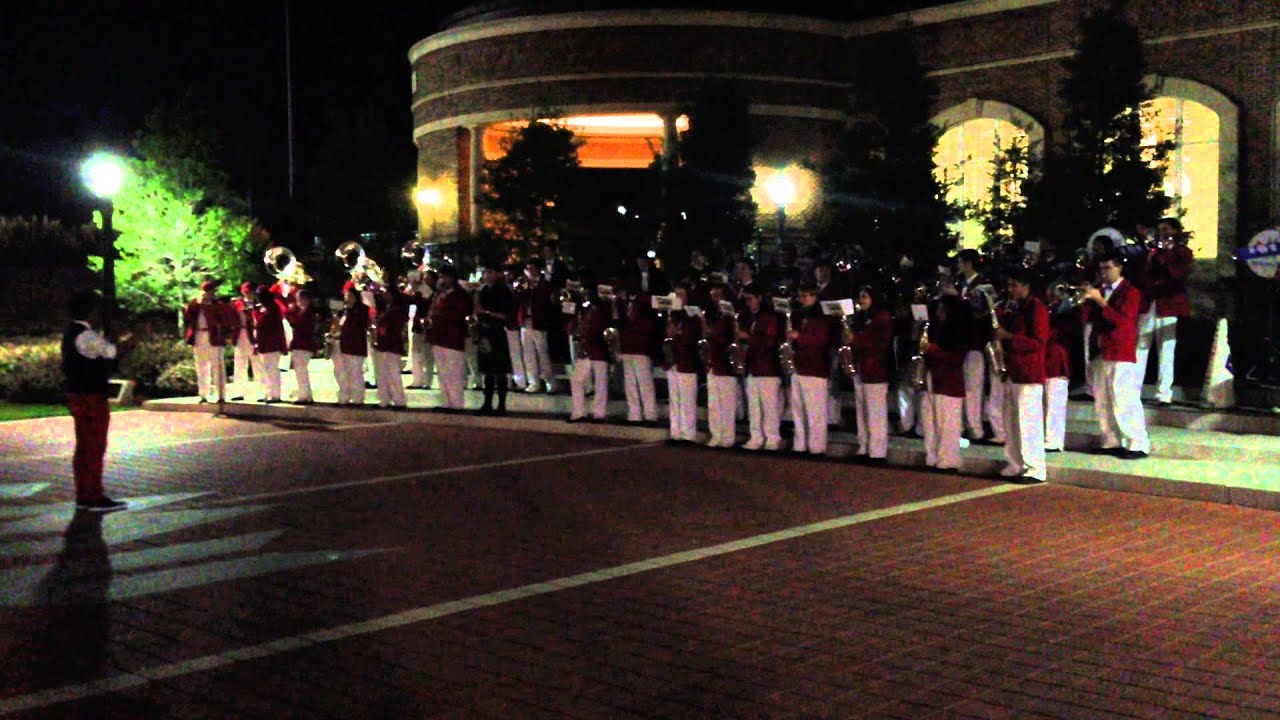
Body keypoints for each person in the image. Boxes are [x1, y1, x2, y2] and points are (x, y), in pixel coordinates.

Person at [62, 290, 127, 511]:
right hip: (90, 395)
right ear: (91, 311)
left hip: (77, 394)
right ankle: (92, 495)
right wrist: (131, 340)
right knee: (94, 445)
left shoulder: (71, 332)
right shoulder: (87, 335)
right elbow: (110, 352)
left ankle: (84, 493)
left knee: (84, 446)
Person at [1081, 252, 1150, 459]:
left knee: (1124, 398)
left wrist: (1101, 301)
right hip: (1100, 351)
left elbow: (1122, 321)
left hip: (1120, 352)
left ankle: (1137, 443)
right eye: (1101, 269)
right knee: (1102, 399)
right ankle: (1110, 441)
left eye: (1108, 268)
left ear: (1119, 268)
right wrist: (1087, 300)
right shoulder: (1100, 291)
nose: (1103, 273)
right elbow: (1086, 318)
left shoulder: (1131, 292)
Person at [995, 268, 1050, 482]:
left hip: (1028, 372)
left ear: (1026, 287)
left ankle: (1035, 468)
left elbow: (1038, 342)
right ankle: (1015, 462)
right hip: (1014, 370)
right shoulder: (1016, 308)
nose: (1010, 289)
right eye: (1009, 285)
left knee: (1029, 423)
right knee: (1012, 422)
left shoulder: (1036, 309)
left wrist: (1008, 336)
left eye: (1014, 285)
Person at [1136, 217, 1193, 404]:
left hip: (1169, 303)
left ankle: (1163, 392)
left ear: (1175, 232)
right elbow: (1144, 276)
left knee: (1166, 349)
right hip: (1150, 301)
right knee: (1141, 346)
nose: (1162, 232)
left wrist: (1162, 253)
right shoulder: (1154, 251)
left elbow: (1176, 274)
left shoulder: (1183, 252)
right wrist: (1151, 257)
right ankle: (1133, 388)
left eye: (1166, 229)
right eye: (1160, 229)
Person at [922, 295, 969, 472]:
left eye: (942, 308)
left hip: (949, 382)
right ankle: (934, 457)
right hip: (936, 378)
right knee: (932, 421)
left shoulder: (958, 330)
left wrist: (933, 350)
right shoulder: (938, 327)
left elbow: (957, 357)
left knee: (948, 423)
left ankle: (948, 459)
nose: (939, 312)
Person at [848, 285, 894, 463]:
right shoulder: (862, 317)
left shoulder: (882, 317)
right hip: (862, 369)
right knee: (862, 411)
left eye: (865, 297)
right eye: (860, 297)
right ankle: (864, 447)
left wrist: (856, 339)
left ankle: (877, 452)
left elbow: (879, 343)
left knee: (876, 413)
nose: (862, 301)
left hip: (876, 370)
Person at [787, 283, 833, 455]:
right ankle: (800, 444)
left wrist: (799, 336)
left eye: (806, 296)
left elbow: (820, 340)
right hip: (799, 366)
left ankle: (817, 446)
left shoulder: (821, 316)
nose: (802, 299)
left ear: (815, 297)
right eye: (801, 296)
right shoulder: (799, 315)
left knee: (815, 411)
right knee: (798, 410)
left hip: (815, 368)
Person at [739, 283, 782, 451]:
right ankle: (755, 437)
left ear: (759, 299)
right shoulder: (751, 317)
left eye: (750, 299)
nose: (748, 303)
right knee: (754, 407)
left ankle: (772, 438)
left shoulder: (769, 317)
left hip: (768, 368)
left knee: (769, 407)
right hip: (754, 368)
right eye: (746, 300)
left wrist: (747, 338)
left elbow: (768, 341)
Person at [428, 266, 472, 410]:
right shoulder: (439, 294)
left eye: (446, 277)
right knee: (442, 372)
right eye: (442, 277)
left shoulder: (460, 295)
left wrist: (440, 315)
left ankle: (457, 403)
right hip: (438, 336)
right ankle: (446, 402)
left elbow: (460, 314)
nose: (443, 280)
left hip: (453, 338)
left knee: (454, 373)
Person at [702, 284, 739, 447]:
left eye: (718, 296)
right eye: (713, 296)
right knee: (714, 403)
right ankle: (716, 434)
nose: (715, 300)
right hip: (713, 360)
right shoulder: (714, 314)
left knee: (726, 404)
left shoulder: (730, 316)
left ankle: (727, 437)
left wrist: (711, 333)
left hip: (725, 363)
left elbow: (730, 337)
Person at [616, 283, 659, 425]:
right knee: (630, 383)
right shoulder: (624, 303)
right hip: (627, 345)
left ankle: (650, 415)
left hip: (641, 347)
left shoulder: (644, 301)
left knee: (644, 383)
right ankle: (634, 414)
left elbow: (649, 323)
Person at [568, 278, 610, 422]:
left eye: (587, 292)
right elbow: (574, 325)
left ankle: (599, 414)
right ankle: (579, 412)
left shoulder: (602, 307)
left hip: (598, 348)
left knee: (600, 383)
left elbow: (600, 326)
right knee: (577, 380)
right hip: (586, 348)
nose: (585, 295)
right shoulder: (583, 308)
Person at [183, 280, 231, 403]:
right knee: (201, 366)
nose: (208, 294)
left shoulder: (218, 305)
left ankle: (221, 395)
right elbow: (188, 315)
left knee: (217, 366)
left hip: (214, 336)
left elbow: (225, 319)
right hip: (199, 335)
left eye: (210, 292)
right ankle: (203, 394)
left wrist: (210, 305)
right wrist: (197, 302)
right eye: (205, 292)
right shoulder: (196, 304)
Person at [476, 264, 514, 415]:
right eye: (485, 272)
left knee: (500, 370)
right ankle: (487, 403)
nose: (487, 275)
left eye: (490, 272)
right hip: (485, 331)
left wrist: (486, 312)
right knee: (488, 371)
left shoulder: (503, 291)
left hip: (498, 332)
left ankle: (502, 404)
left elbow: (505, 314)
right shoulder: (483, 291)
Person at [666, 282, 701, 442]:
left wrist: (678, 332)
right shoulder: (673, 314)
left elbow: (692, 337)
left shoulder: (692, 315)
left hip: (687, 361)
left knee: (687, 400)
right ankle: (676, 431)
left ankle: (688, 433)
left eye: (682, 295)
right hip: (673, 359)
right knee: (674, 398)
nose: (678, 298)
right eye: (676, 295)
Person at [1044, 284, 1075, 452]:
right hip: (1047, 362)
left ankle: (1054, 440)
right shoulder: (1050, 310)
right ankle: (1049, 438)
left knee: (1055, 403)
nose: (1051, 295)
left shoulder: (1067, 314)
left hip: (1058, 362)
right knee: (1048, 403)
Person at [520, 259, 557, 393]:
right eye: (528, 268)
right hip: (525, 321)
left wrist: (533, 286)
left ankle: (548, 381)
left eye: (532, 268)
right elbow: (518, 297)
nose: (530, 271)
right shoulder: (523, 283)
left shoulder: (544, 284)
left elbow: (546, 297)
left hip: (539, 322)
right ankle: (533, 382)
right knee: (528, 354)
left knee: (542, 353)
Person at [334, 283, 369, 405]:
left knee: (356, 373)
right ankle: (345, 397)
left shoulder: (362, 310)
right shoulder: (345, 311)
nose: (346, 298)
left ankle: (358, 398)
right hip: (345, 345)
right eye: (345, 296)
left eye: (349, 296)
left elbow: (356, 327)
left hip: (355, 346)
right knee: (344, 373)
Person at [373, 289, 409, 408]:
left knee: (393, 373)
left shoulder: (396, 311)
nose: (384, 295)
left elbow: (394, 328)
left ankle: (399, 400)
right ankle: (384, 399)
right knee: (382, 374)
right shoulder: (385, 309)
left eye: (387, 293)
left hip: (392, 344)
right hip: (383, 344)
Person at [251, 286, 287, 403]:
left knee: (272, 370)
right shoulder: (263, 309)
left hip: (272, 343)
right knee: (265, 370)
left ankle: (275, 395)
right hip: (264, 343)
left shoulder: (273, 308)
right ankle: (268, 393)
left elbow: (273, 326)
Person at [405, 268, 436, 389]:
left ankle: (427, 381)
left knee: (427, 355)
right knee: (416, 353)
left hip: (426, 325)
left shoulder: (428, 291)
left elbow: (423, 303)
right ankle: (417, 380)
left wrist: (414, 294)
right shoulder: (415, 290)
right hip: (417, 324)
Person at [285, 288, 317, 404]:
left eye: (299, 299)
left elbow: (300, 326)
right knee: (301, 371)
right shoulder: (303, 312)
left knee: (301, 370)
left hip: (303, 345)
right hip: (300, 344)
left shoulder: (308, 313)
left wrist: (291, 315)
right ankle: (306, 395)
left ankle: (304, 395)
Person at [230, 281, 260, 400]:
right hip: (240, 334)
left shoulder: (258, 304)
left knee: (257, 363)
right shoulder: (237, 303)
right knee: (239, 364)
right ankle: (239, 392)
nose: (248, 294)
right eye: (246, 292)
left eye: (250, 292)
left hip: (253, 334)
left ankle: (261, 392)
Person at [503, 263, 527, 390]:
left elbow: (516, 305)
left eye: (509, 273)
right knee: (506, 355)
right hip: (505, 324)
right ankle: (507, 380)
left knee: (515, 354)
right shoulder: (504, 288)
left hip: (513, 324)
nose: (507, 276)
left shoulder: (518, 289)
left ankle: (520, 381)